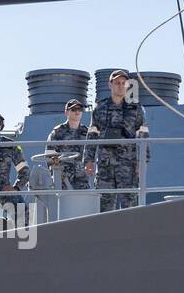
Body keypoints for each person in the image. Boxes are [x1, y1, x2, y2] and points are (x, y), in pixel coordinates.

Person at [83, 70, 148, 211]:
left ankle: (131, 233)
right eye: (117, 83)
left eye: (123, 83)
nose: (120, 85)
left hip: (128, 165)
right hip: (105, 165)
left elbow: (143, 135)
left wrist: (143, 161)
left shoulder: (136, 109)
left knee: (130, 206)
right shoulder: (100, 108)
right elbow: (92, 134)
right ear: (110, 85)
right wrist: (89, 160)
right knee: (104, 207)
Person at [46, 99, 90, 191]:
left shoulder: (87, 132)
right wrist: (56, 174)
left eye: (80, 109)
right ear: (66, 112)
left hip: (82, 179)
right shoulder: (57, 132)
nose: (77, 112)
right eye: (73, 109)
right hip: (63, 180)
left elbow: (92, 153)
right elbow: (49, 156)